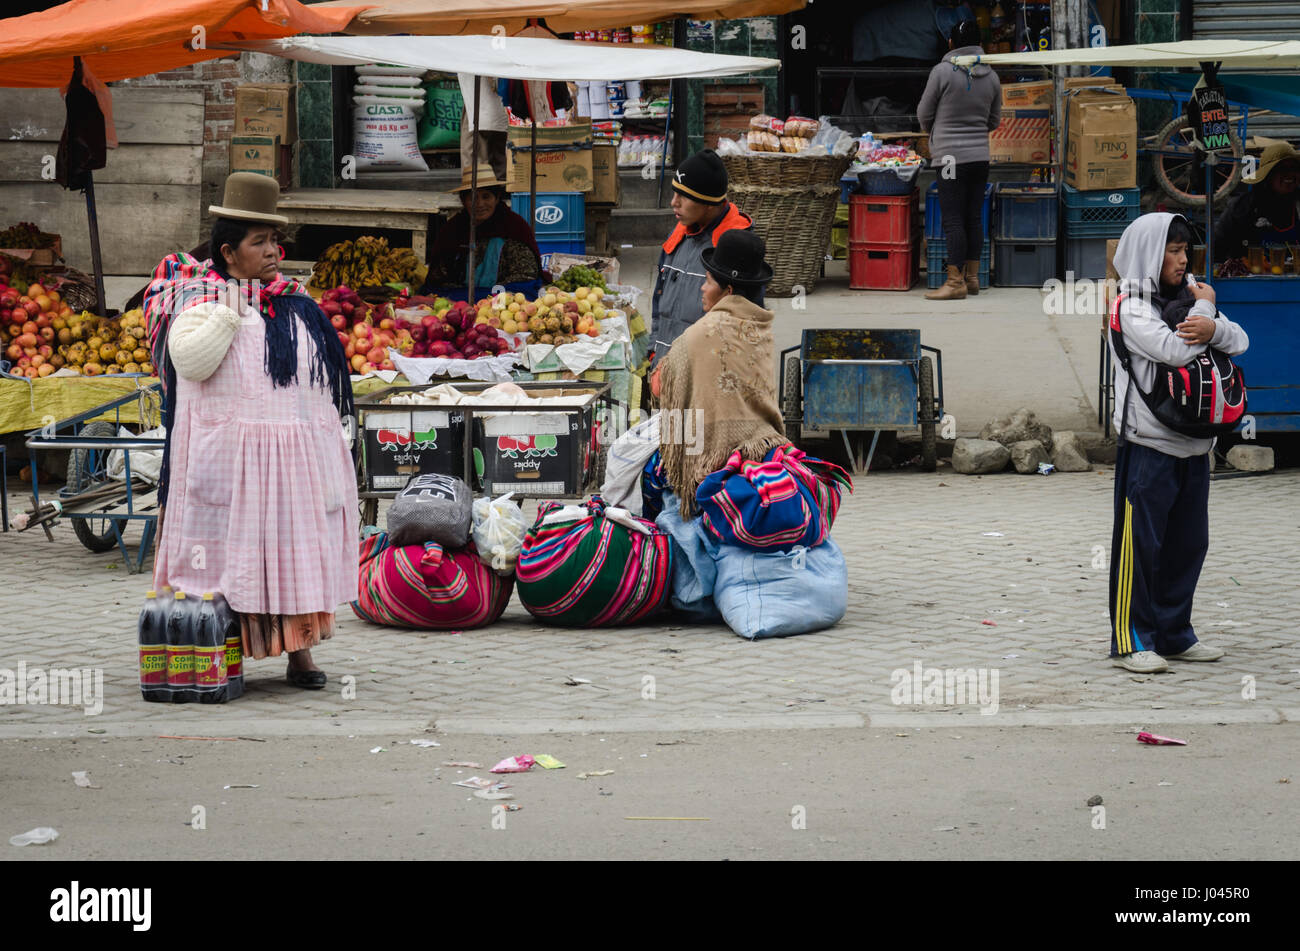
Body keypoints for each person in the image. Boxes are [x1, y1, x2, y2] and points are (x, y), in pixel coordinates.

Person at [145, 172, 358, 689]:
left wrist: (329, 441)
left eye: (274, 241)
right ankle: (217, 654)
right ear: (228, 250)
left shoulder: (295, 302)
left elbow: (319, 382)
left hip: (291, 459)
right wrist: (231, 310)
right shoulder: (197, 300)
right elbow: (190, 363)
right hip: (226, 457)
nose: (272, 252)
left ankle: (299, 653)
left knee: (290, 549)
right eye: (258, 242)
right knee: (220, 559)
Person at [1107, 212, 1249, 674]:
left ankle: (1174, 635)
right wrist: (1206, 316)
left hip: (1194, 447)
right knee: (1140, 547)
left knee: (1189, 544)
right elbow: (1176, 349)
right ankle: (1132, 641)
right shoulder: (1131, 307)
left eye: (1185, 250)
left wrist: (1212, 325)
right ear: (1150, 252)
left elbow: (1239, 340)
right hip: (1149, 447)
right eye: (1173, 250)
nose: (1183, 260)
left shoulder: (1188, 297)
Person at [655, 229, 788, 517]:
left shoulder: (699, 336)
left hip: (711, 460)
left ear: (728, 291)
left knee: (646, 470)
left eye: (708, 281)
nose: (702, 288)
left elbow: (666, 391)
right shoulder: (760, 327)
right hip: (764, 448)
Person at [917, 18, 1002, 300]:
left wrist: (936, 131)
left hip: (951, 159)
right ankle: (973, 278)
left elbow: (923, 113)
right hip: (980, 158)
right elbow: (993, 120)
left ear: (951, 44)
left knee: (953, 218)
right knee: (973, 217)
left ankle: (954, 283)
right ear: (980, 45)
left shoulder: (942, 72)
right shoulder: (991, 77)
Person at [650, 149, 754, 363]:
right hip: (666, 367)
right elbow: (659, 299)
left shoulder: (735, 247)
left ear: (708, 203)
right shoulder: (678, 234)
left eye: (684, 197)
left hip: (705, 374)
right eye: (674, 192)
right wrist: (653, 351)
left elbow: (744, 327)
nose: (673, 202)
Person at [421, 164, 543, 301]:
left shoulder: (514, 226)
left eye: (486, 197)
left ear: (497, 199)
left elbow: (525, 280)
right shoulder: (453, 230)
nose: (479, 204)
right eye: (473, 198)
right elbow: (437, 281)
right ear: (463, 201)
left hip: (504, 300)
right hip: (458, 299)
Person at [1213, 139, 1300, 263]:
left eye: (1294, 168)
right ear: (1268, 175)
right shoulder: (1242, 208)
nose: (1290, 174)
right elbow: (1216, 251)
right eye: (1282, 169)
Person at [457, 73, 508, 182]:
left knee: (498, 132)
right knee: (477, 133)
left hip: (496, 82)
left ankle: (499, 181)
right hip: (478, 81)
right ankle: (476, 182)